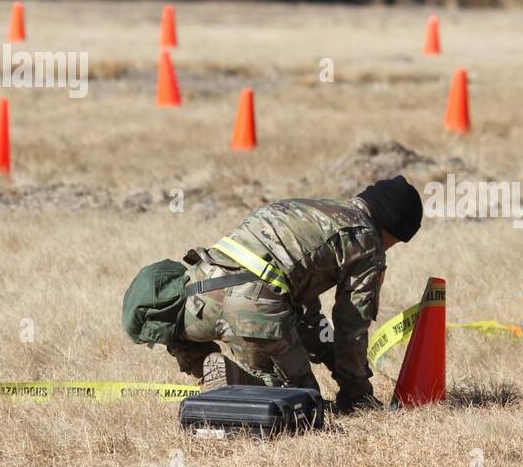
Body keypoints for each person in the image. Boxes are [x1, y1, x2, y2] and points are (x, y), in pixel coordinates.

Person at [166, 176, 422, 414]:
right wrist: (357, 395)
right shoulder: (365, 238)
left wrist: (327, 355)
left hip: (194, 303)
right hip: (250, 312)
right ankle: (240, 383)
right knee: (304, 406)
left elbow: (304, 315)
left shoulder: (307, 209)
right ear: (392, 229)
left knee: (284, 385)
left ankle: (217, 379)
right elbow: (351, 325)